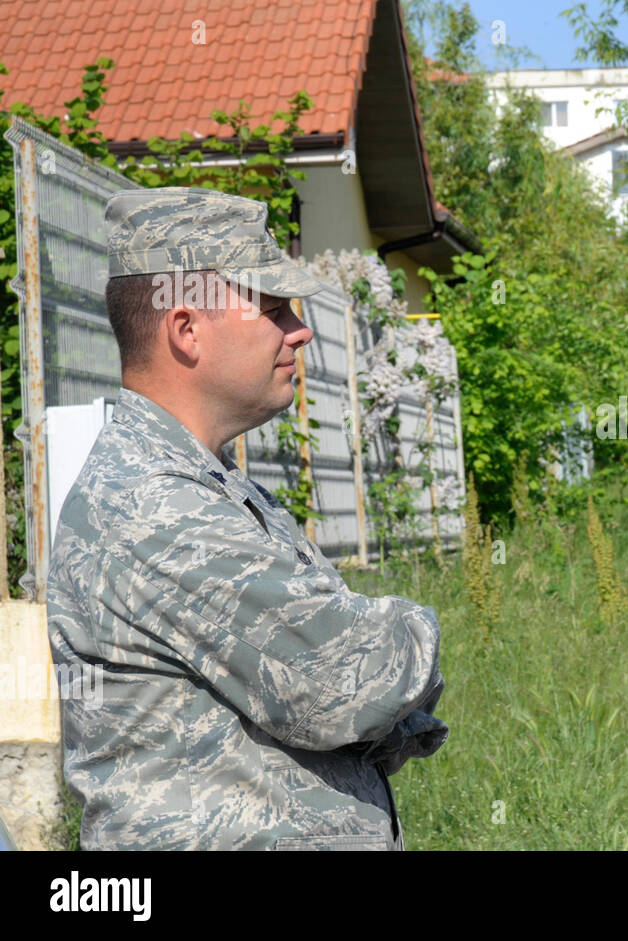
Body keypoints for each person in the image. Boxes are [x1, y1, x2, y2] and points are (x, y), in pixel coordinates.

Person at [46, 187, 449, 850]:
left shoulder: (213, 484)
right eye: (272, 307)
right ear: (187, 330)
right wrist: (418, 631)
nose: (300, 328)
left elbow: (351, 699)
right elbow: (345, 678)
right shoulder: (153, 505)